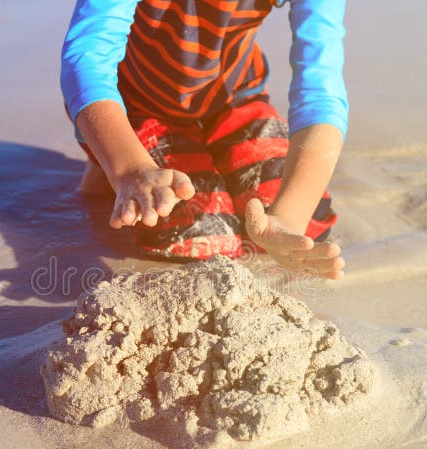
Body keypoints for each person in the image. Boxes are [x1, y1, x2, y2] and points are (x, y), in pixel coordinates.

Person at [61, 0, 346, 279]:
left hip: (235, 103)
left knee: (300, 227)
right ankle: (110, 167)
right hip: (138, 108)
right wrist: (129, 168)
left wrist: (288, 217)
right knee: (202, 239)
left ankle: (205, 163)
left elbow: (320, 94)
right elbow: (87, 60)